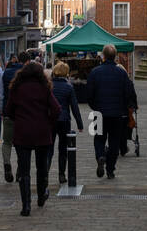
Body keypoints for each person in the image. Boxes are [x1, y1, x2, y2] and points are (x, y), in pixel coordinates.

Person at [3, 60, 60, 216]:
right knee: (41, 168)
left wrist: (18, 119)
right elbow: (56, 109)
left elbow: (8, 110)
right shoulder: (44, 88)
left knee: (24, 171)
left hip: (23, 133)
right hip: (42, 132)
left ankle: (26, 205)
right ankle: (41, 195)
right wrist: (49, 123)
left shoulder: (17, 88)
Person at [86, 43, 136, 179]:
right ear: (115, 57)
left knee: (99, 138)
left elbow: (89, 94)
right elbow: (128, 93)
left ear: (103, 56)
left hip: (99, 112)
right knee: (114, 141)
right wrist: (124, 108)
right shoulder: (122, 73)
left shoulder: (95, 72)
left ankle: (100, 156)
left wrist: (94, 106)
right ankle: (110, 169)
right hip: (117, 114)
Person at [50, 61, 84, 184]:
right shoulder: (69, 87)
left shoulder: (49, 86)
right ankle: (61, 174)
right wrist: (80, 124)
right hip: (64, 120)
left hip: (51, 120)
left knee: (49, 147)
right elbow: (74, 107)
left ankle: (45, 172)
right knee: (63, 149)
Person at [0, 53, 24, 181]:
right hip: (23, 115)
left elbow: (0, 94)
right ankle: (20, 169)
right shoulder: (25, 74)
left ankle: (7, 165)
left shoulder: (5, 73)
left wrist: (2, 110)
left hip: (8, 113)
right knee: (22, 143)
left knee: (7, 142)